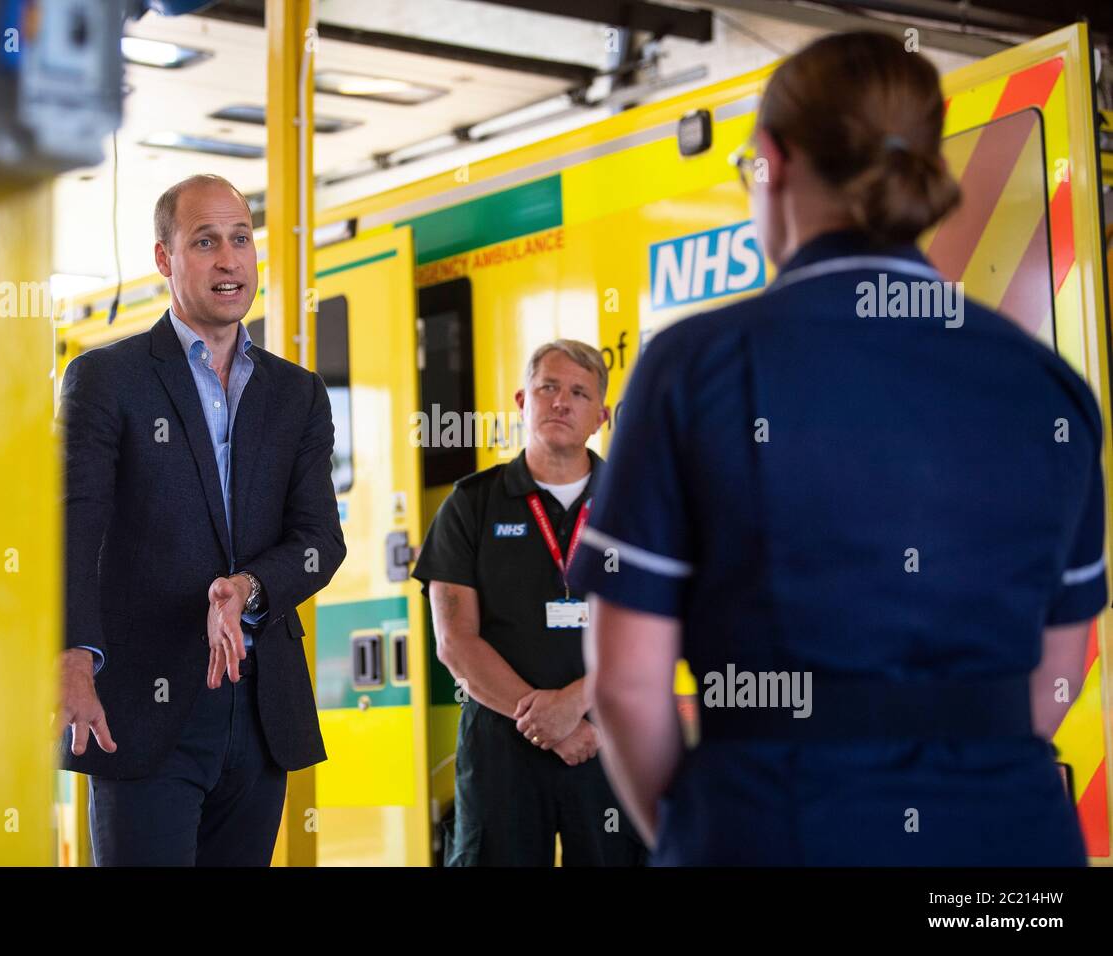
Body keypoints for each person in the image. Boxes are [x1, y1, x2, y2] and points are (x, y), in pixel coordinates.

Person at [569, 31, 1102, 865]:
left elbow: (627, 687)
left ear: (773, 162)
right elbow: (1059, 670)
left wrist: (699, 838)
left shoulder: (693, 368)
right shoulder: (1049, 386)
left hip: (774, 824)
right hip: (1013, 842)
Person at [57, 173, 346, 866]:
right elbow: (72, 527)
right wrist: (71, 658)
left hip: (259, 707)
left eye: (241, 240)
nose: (229, 260)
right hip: (140, 706)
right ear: (165, 259)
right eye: (205, 241)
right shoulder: (106, 378)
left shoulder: (296, 394)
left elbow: (319, 542)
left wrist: (247, 587)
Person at [413, 340, 646, 866]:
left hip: (611, 744)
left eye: (579, 392)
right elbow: (455, 641)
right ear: (522, 400)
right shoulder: (470, 505)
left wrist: (573, 706)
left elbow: (658, 628)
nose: (561, 401)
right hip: (503, 750)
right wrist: (547, 722)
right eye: (548, 387)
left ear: (601, 416)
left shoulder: (638, 505)